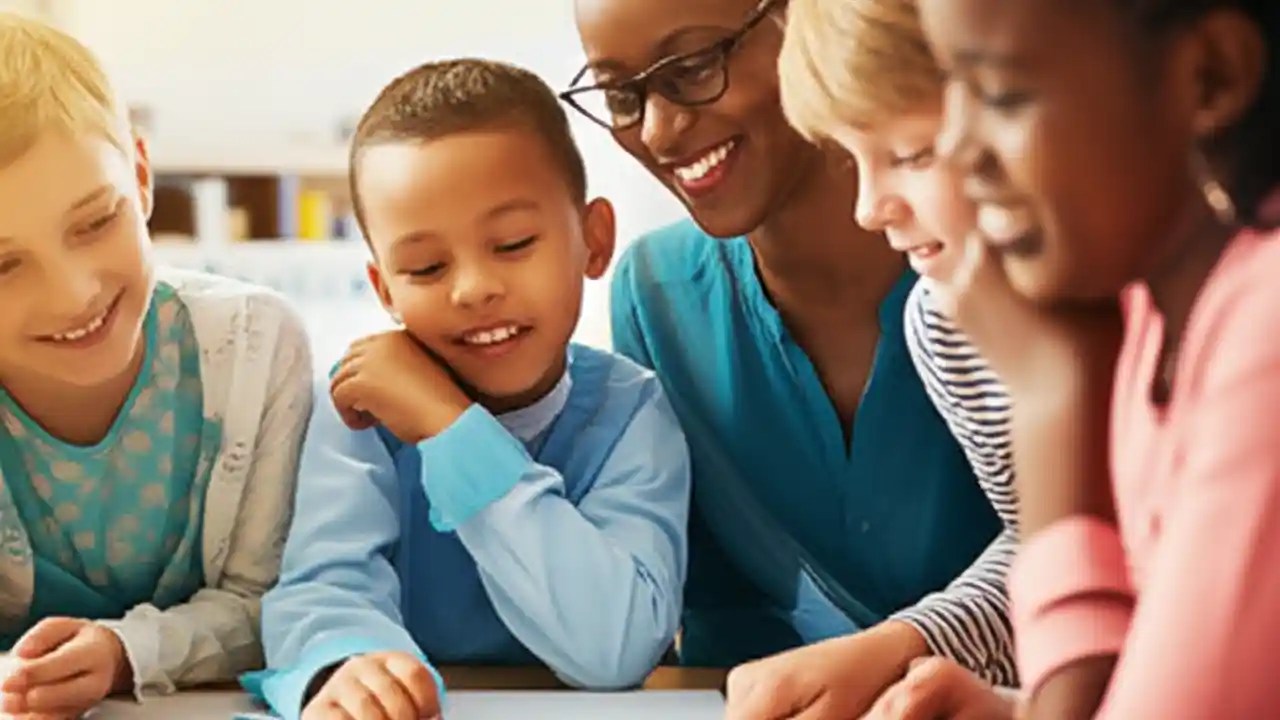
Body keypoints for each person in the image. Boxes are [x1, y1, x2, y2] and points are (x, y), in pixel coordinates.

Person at [565, 0, 1008, 711]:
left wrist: (903, 654)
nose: (657, 130)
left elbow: (1098, 551)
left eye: (695, 66)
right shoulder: (656, 296)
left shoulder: (1009, 259)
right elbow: (718, 621)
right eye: (621, 94)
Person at [863, 0, 1280, 718]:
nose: (959, 149)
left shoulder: (1264, 335)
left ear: (1209, 76)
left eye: (1000, 95)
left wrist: (1050, 401)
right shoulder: (1153, 308)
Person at [248, 59, 691, 720]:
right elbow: (326, 592)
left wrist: (450, 428)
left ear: (593, 241)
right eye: (426, 267)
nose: (474, 289)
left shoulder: (632, 414)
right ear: (385, 289)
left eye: (512, 244)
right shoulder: (360, 406)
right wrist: (347, 667)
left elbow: (615, 648)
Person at [710, 0, 1024, 716]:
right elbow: (1062, 547)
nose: (868, 208)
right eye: (851, 159)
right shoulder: (949, 323)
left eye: (910, 155)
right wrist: (904, 644)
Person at [0, 13, 312, 719]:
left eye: (94, 222)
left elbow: (271, 602)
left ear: (140, 177)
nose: (72, 293)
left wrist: (126, 653)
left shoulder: (256, 345)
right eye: (4, 265)